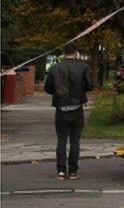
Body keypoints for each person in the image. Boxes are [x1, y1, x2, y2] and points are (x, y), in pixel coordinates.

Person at [44, 43, 93, 180]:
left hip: (61, 107)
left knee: (61, 140)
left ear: (64, 53)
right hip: (77, 108)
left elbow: (48, 89)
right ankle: (73, 171)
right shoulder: (84, 67)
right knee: (75, 140)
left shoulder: (55, 68)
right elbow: (90, 86)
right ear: (76, 52)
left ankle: (60, 171)